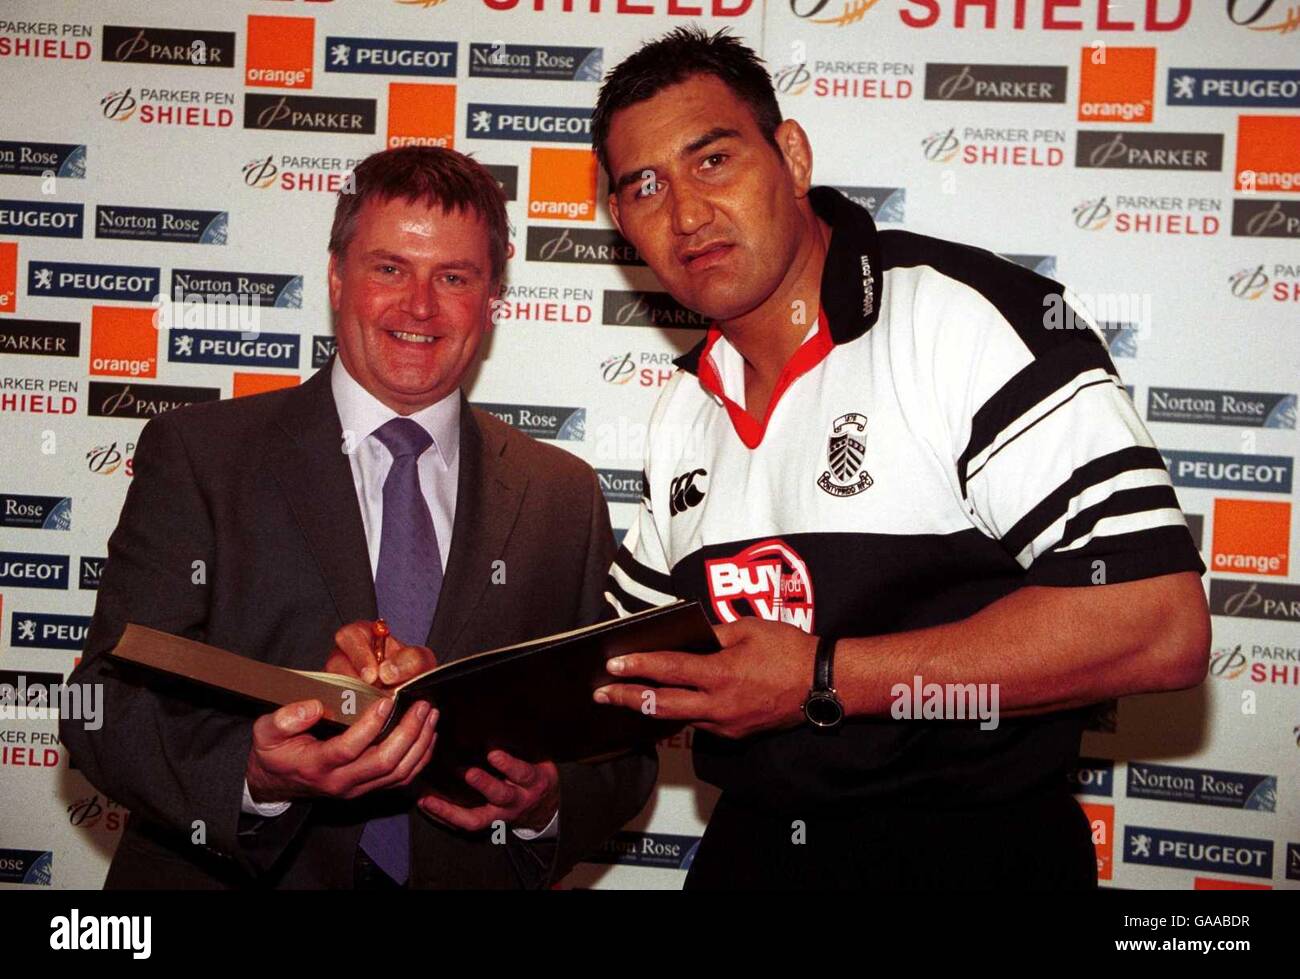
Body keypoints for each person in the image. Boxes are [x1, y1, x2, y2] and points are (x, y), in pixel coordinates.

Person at [589, 27, 1210, 889]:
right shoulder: (684, 406)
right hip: (752, 853)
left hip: (973, 858)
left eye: (713, 160)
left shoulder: (962, 320)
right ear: (623, 222)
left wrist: (821, 677)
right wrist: (446, 708)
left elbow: (1155, 622)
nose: (686, 213)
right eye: (645, 186)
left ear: (792, 156)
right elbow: (615, 660)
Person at [61, 146, 656, 889]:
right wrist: (253, 774)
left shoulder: (560, 494)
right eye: (388, 268)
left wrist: (544, 802)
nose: (419, 307)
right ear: (337, 277)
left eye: (454, 277)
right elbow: (101, 704)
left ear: (493, 297)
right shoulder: (200, 455)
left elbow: (622, 747)